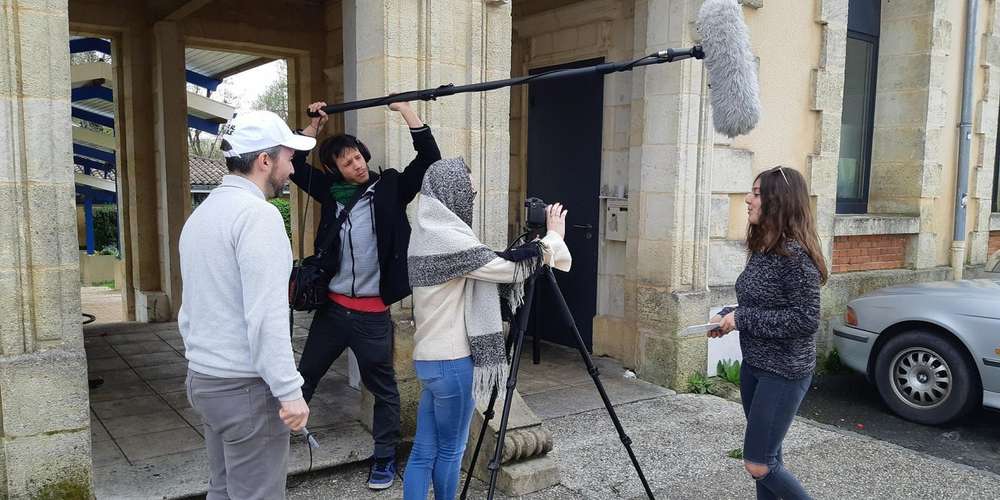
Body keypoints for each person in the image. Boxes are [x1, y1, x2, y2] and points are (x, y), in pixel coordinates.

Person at [291, 100, 441, 489]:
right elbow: (289, 164)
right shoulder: (329, 192)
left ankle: (384, 460)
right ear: (334, 169)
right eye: (346, 162)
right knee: (303, 378)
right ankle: (271, 442)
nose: (356, 166)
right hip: (333, 311)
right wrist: (314, 127)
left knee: (384, 390)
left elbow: (428, 159)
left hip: (373, 314)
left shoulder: (389, 187)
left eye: (358, 157)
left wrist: (407, 111)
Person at [402, 157, 571, 500]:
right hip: (452, 364)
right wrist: (553, 238)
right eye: (469, 193)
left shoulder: (426, 232)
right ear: (452, 192)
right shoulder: (448, 237)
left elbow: (487, 261)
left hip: (429, 362)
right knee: (451, 451)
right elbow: (506, 270)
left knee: (423, 453)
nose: (471, 201)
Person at [178, 110, 313, 500]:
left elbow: (193, 307)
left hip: (205, 380)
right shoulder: (259, 216)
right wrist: (289, 392)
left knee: (223, 491)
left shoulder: (202, 215)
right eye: (288, 158)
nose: (291, 169)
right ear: (264, 160)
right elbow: (267, 317)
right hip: (245, 389)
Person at [709, 165, 828, 500]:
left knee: (758, 464)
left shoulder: (796, 257)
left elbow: (805, 320)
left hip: (784, 373)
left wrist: (743, 318)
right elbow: (762, 304)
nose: (748, 199)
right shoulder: (764, 247)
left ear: (779, 201)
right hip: (755, 368)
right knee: (769, 455)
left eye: (757, 194)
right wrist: (730, 316)